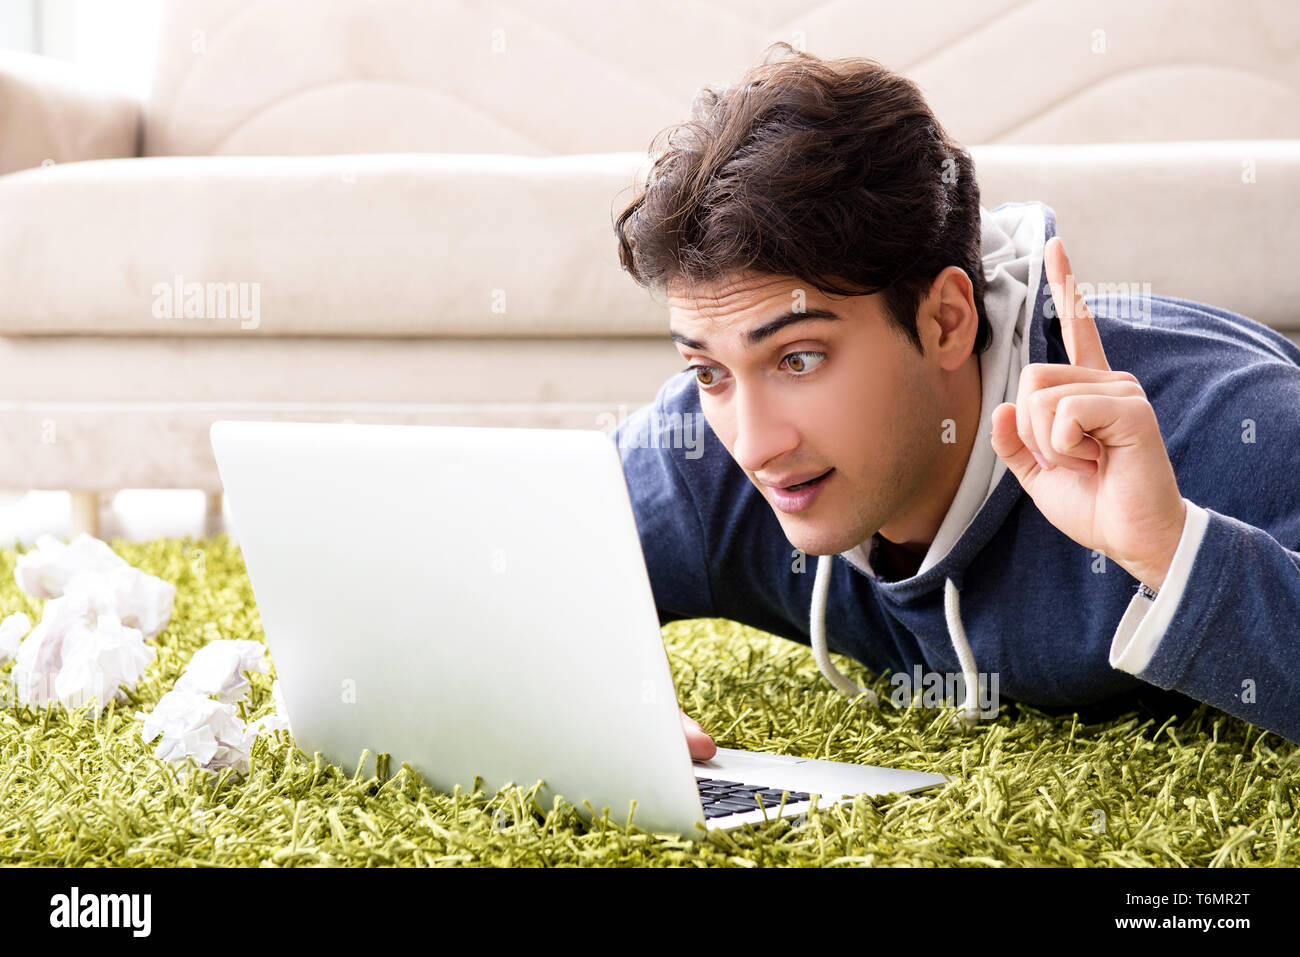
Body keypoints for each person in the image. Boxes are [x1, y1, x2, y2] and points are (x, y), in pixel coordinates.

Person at [609, 42, 1300, 759]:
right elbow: (511, 563)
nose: (753, 447)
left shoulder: (1216, 425)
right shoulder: (701, 454)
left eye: (799, 358)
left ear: (946, 320)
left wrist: (1170, 547)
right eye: (709, 370)